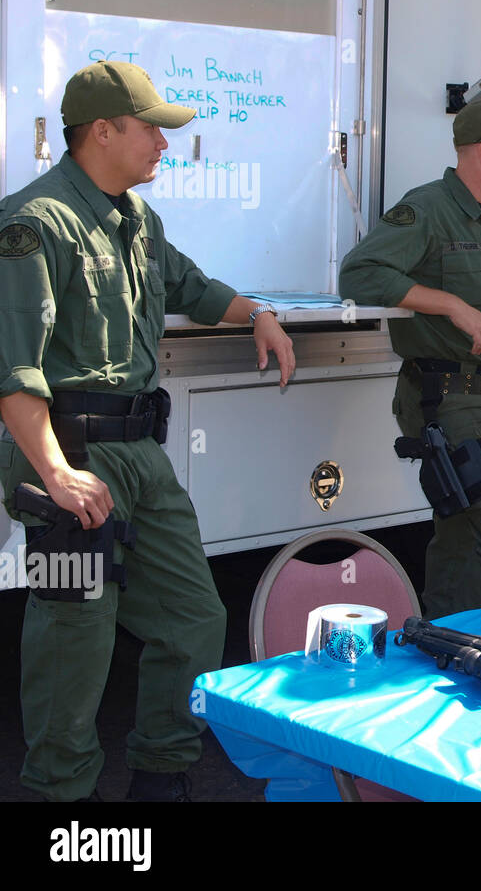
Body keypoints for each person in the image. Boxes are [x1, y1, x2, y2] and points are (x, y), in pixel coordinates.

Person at [0, 60, 297, 802]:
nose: (166, 145)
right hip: (66, 452)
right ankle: (58, 796)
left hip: (139, 452)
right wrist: (57, 477)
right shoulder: (35, 225)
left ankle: (161, 778)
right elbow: (14, 372)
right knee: (75, 636)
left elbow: (194, 288)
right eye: (153, 130)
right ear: (102, 131)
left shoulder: (137, 219)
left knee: (194, 619)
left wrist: (257, 311)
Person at [337, 99, 481, 619]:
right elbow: (359, 276)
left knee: (462, 537)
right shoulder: (429, 209)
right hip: (452, 403)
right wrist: (451, 305)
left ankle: (441, 645)